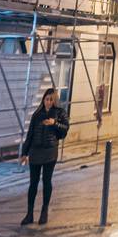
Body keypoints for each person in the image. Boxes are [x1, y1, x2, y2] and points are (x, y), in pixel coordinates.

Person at [20, 87, 69, 226]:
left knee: (47, 181)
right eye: (46, 99)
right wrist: (24, 152)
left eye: (50, 99)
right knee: (33, 183)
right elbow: (30, 135)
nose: (48, 102)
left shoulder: (59, 113)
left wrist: (55, 123)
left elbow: (65, 130)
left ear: (54, 101)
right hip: (35, 152)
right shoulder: (37, 114)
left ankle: (44, 211)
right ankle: (29, 213)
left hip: (49, 152)